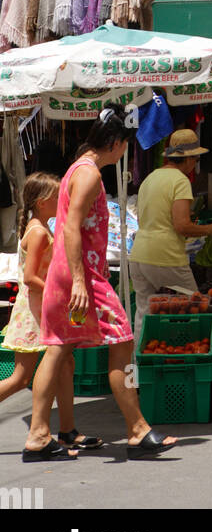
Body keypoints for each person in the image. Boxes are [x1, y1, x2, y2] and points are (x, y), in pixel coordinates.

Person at [23, 104, 176, 461]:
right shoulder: (89, 173)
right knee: (121, 340)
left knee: (59, 347)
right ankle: (137, 431)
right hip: (82, 276)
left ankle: (40, 435)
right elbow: (72, 225)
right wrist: (79, 280)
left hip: (72, 273)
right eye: (126, 144)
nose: (126, 151)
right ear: (116, 142)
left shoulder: (80, 168)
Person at [0, 172, 99, 452]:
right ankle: (66, 430)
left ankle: (68, 429)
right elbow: (30, 277)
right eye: (58, 197)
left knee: (66, 364)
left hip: (40, 309)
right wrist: (59, 293)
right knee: (21, 377)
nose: (63, 202)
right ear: (44, 202)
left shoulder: (37, 227)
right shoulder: (40, 232)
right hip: (35, 311)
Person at [129, 128, 212, 346]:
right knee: (193, 305)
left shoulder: (150, 178)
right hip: (165, 256)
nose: (196, 163)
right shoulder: (181, 181)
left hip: (139, 254)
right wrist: (208, 229)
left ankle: (139, 364)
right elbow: (182, 225)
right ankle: (188, 355)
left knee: (144, 311)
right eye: (196, 159)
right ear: (189, 159)